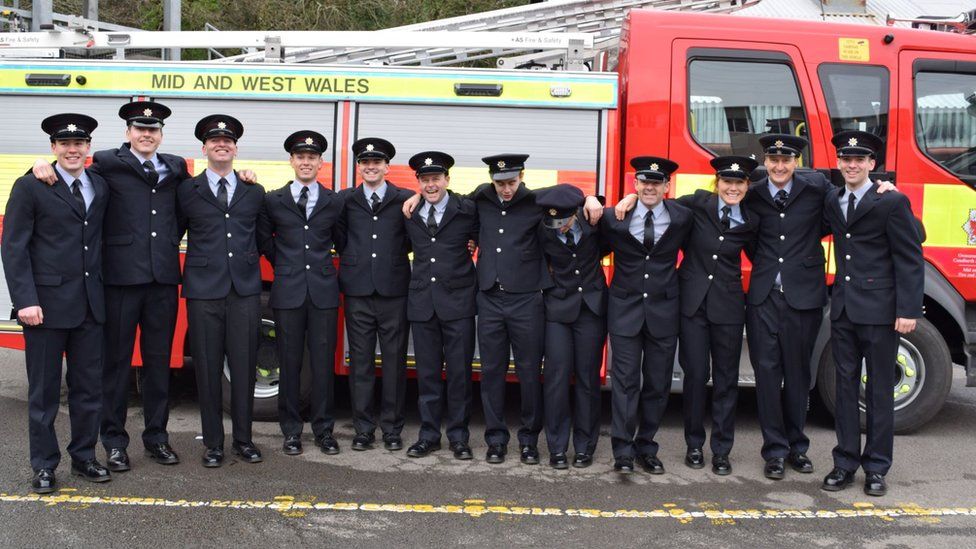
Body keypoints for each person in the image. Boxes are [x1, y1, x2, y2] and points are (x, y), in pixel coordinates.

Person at [403, 154, 603, 465]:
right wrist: (417, 195)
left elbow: (565, 197)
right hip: (489, 299)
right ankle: (496, 440)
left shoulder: (535, 201)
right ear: (491, 181)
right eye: (500, 183)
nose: (506, 189)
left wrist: (589, 197)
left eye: (511, 182)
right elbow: (444, 197)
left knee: (529, 374)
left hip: (527, 300)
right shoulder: (481, 198)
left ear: (521, 177)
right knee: (492, 374)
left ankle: (529, 441)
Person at [2, 113, 110, 492]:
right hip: (44, 309)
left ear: (88, 148)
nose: (72, 150)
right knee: (44, 394)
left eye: (79, 143)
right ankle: (44, 465)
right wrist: (25, 301)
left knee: (88, 391)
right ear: (53, 147)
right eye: (64, 144)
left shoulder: (99, 184)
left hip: (90, 307)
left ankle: (84, 457)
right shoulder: (30, 186)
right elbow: (14, 247)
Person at [820, 130, 923, 497]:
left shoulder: (891, 201)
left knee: (879, 391)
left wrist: (908, 309)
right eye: (846, 159)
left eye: (859, 160)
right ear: (838, 163)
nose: (852, 165)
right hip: (844, 310)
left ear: (871, 164)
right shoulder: (833, 199)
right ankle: (845, 463)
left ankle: (877, 468)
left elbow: (910, 253)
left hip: (880, 312)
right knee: (845, 390)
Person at [177, 114, 267, 467]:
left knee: (244, 368)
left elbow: (262, 238)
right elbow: (171, 233)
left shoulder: (253, 191)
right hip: (203, 292)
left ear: (235, 149)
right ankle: (213, 443)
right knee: (207, 368)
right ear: (204, 149)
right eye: (215, 140)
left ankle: (244, 440)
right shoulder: (187, 191)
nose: (221, 145)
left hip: (244, 291)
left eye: (227, 141)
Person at [601, 157, 692, 474]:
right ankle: (623, 451)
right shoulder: (614, 218)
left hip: (663, 312)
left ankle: (646, 447)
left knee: (657, 385)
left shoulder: (682, 217)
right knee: (625, 383)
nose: (649, 187)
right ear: (635, 184)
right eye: (644, 182)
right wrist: (593, 199)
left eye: (656, 182)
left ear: (667, 186)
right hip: (624, 311)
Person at [257, 131, 342, 456]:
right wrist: (287, 264)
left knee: (322, 366)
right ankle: (291, 431)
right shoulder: (273, 200)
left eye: (312, 157)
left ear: (321, 162)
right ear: (292, 161)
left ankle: (324, 431)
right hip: (288, 291)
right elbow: (264, 240)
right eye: (300, 156)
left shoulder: (334, 201)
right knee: (290, 365)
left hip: (323, 293)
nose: (306, 162)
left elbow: (342, 240)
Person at [674, 156, 759, 476]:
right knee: (695, 377)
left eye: (739, 183)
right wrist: (628, 199)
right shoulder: (697, 203)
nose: (732, 188)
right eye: (727, 181)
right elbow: (659, 206)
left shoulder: (751, 219)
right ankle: (694, 445)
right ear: (717, 183)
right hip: (693, 306)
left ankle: (721, 451)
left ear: (747, 186)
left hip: (728, 307)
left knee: (726, 380)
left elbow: (765, 253)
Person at [335, 137, 414, 452]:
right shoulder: (345, 200)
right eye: (365, 162)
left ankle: (392, 429)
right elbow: (339, 237)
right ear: (359, 167)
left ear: (387, 166)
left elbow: (411, 239)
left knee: (394, 363)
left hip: (394, 291)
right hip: (358, 291)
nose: (371, 167)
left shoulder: (405, 198)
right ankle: (364, 429)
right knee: (361, 363)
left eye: (377, 162)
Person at [401, 151, 479, 460]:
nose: (431, 185)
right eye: (425, 180)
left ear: (447, 179)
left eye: (436, 178)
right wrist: (413, 197)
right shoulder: (409, 211)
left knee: (459, 375)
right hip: (423, 304)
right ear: (418, 182)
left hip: (458, 304)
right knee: (428, 376)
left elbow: (488, 213)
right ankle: (429, 436)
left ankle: (459, 438)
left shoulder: (467, 208)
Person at [536, 184, 610, 469]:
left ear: (576, 212)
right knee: (556, 379)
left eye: (564, 222)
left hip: (591, 309)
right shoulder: (543, 227)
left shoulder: (595, 221)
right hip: (558, 309)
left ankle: (584, 447)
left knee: (588, 379)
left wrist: (591, 196)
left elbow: (619, 217)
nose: (560, 228)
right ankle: (557, 448)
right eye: (554, 222)